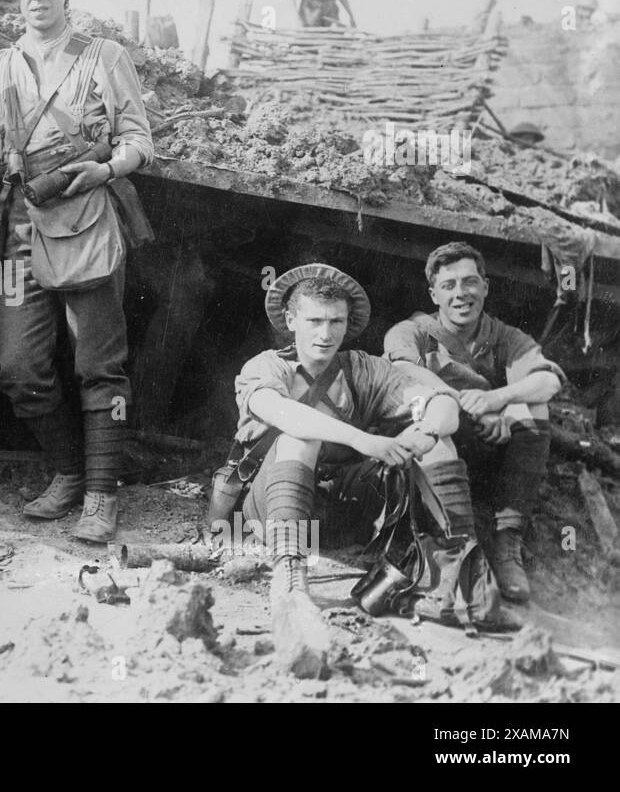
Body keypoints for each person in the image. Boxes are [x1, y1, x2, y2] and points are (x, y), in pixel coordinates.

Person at [0, 0, 154, 543]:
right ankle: (68, 471)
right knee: (17, 368)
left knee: (99, 365)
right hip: (23, 222)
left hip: (88, 216)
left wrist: (107, 169)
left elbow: (137, 138)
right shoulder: (0, 67)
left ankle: (102, 494)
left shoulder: (102, 56)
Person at [223, 264, 470, 675]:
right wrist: (363, 440)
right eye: (314, 321)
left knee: (439, 441)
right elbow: (286, 415)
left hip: (342, 511)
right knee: (297, 438)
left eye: (336, 321)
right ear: (291, 322)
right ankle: (289, 577)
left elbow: (442, 404)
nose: (325, 333)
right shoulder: (265, 368)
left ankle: (459, 572)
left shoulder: (362, 369)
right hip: (273, 509)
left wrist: (424, 430)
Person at [383, 242, 564, 602]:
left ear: (485, 287)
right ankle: (459, 549)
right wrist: (469, 406)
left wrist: (498, 401)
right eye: (448, 286)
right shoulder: (414, 331)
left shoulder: (503, 335)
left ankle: (507, 540)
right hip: (428, 453)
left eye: (469, 282)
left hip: (486, 452)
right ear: (434, 293)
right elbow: (402, 369)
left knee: (534, 408)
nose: (460, 294)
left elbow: (549, 380)